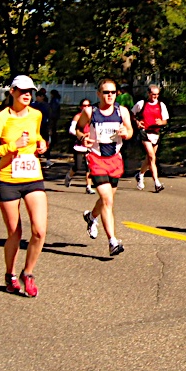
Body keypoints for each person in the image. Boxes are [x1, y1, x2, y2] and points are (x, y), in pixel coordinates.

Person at [0, 75, 48, 298]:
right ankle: (10, 274)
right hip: (8, 179)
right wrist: (11, 146)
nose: (27, 94)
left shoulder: (36, 114)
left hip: (32, 176)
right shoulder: (2, 118)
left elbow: (37, 136)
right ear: (12, 92)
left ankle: (28, 273)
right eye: (22, 91)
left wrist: (41, 144)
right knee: (15, 232)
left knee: (39, 230)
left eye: (30, 90)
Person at [75, 78, 132, 256]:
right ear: (98, 94)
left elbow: (129, 131)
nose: (110, 96)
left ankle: (91, 217)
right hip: (96, 158)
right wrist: (83, 138)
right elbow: (78, 128)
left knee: (107, 199)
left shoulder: (122, 111)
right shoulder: (90, 112)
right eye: (106, 92)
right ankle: (112, 241)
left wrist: (126, 133)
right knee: (107, 200)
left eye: (113, 92)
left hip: (115, 159)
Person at [133, 84, 169, 192]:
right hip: (145, 133)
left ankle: (140, 175)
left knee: (149, 159)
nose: (155, 97)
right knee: (152, 158)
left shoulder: (161, 105)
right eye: (153, 94)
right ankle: (157, 183)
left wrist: (161, 122)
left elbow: (165, 120)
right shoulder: (141, 104)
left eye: (157, 95)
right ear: (148, 94)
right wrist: (137, 122)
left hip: (155, 133)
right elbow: (131, 114)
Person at [65, 99, 96, 194]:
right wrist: (82, 136)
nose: (85, 107)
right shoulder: (77, 117)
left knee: (89, 166)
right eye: (83, 105)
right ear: (80, 107)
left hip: (90, 144)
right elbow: (71, 130)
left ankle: (88, 186)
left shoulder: (93, 117)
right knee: (78, 166)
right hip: (79, 144)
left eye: (88, 105)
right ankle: (69, 176)